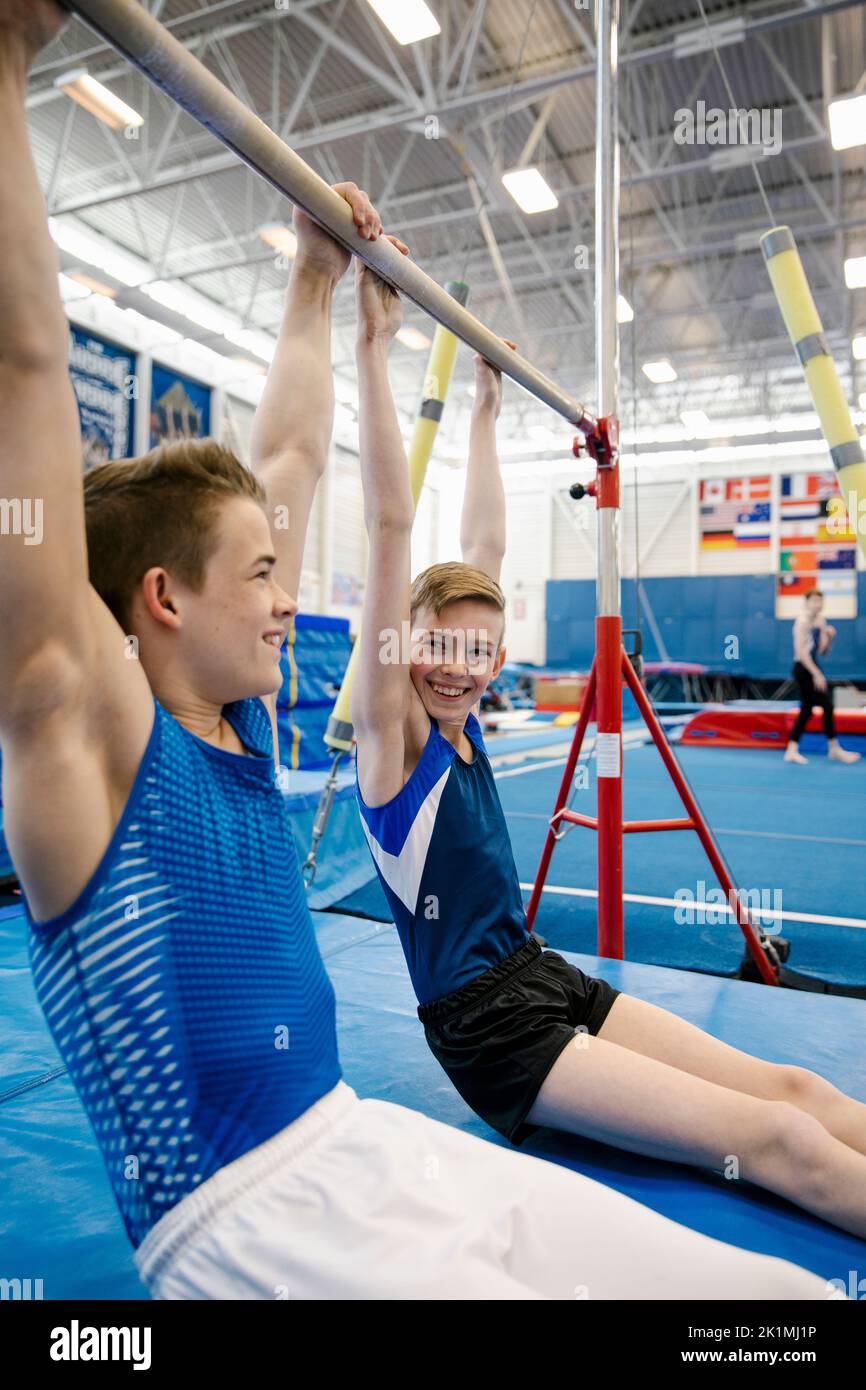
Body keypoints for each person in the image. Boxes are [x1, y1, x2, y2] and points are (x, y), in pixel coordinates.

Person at [0, 0, 836, 1302]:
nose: (292, 601)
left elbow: (280, 458)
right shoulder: (87, 733)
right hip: (247, 1212)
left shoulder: (246, 722)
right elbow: (27, 363)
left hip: (365, 1135)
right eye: (267, 574)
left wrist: (313, 287)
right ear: (160, 600)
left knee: (772, 1303)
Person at [349, 259, 866, 1247]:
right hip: (491, 1033)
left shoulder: (461, 717)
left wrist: (490, 404)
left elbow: (483, 546)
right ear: (399, 638)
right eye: (434, 643)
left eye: (477, 647)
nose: (455, 667)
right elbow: (388, 523)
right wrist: (372, 343)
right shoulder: (394, 738)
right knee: (769, 1136)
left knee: (792, 1086)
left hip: (540, 972)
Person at [784, 588, 860, 765]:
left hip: (813, 664)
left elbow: (822, 651)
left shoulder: (820, 621)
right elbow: (801, 653)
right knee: (826, 705)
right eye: (814, 602)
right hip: (803, 668)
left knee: (808, 710)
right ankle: (833, 749)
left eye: (820, 602)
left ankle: (793, 749)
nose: (818, 605)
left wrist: (829, 636)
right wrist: (817, 674)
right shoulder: (801, 622)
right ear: (807, 603)